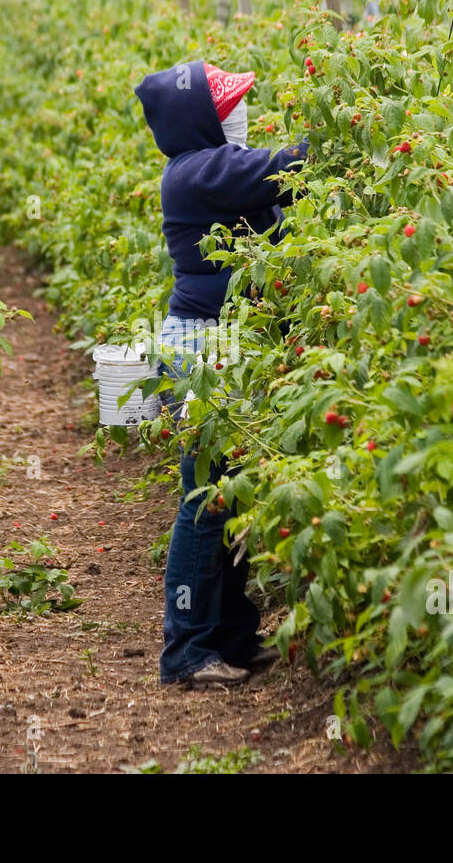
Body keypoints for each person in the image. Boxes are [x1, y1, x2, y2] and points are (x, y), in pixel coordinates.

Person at [134, 61, 308, 688]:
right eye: (229, 107)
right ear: (201, 119)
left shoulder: (206, 172)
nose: (239, 116)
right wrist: (341, 136)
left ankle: (233, 634)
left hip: (224, 348)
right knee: (205, 500)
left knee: (230, 495)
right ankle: (185, 650)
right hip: (205, 354)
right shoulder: (197, 171)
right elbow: (284, 169)